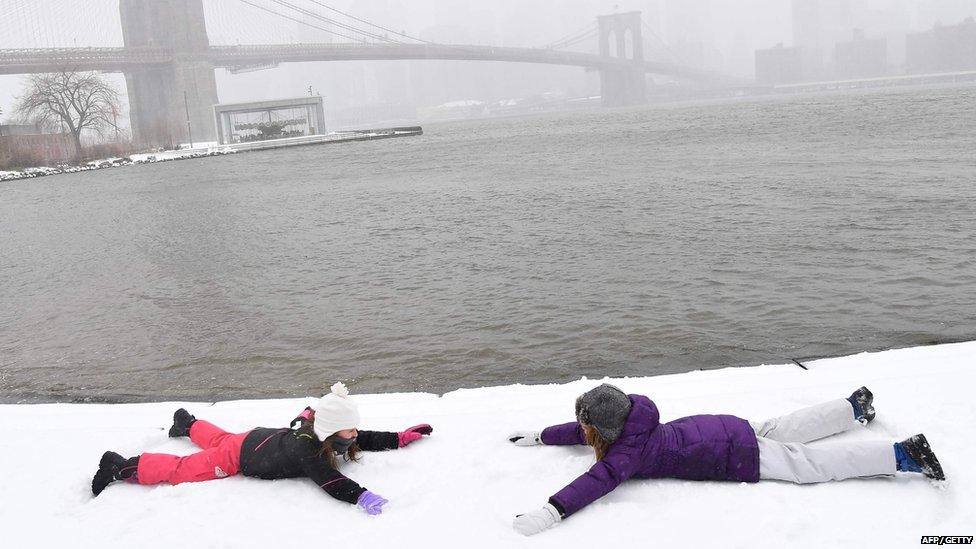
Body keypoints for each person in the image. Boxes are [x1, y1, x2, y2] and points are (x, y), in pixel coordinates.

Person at [507, 383, 945, 536]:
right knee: (782, 428)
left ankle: (903, 454)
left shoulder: (627, 452)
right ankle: (854, 407)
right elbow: (582, 430)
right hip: (723, 427)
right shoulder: (635, 417)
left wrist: (552, 510)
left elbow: (596, 481)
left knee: (809, 465)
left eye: (586, 428)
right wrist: (542, 436)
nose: (582, 433)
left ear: (603, 428)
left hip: (732, 453)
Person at [91, 382, 432, 515]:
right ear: (330, 429)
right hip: (240, 456)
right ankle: (122, 467)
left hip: (253, 439)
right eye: (350, 427)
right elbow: (329, 480)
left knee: (221, 438)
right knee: (185, 469)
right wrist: (362, 496)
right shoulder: (308, 450)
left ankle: (187, 424)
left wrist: (399, 437)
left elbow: (364, 437)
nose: (356, 432)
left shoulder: (324, 431)